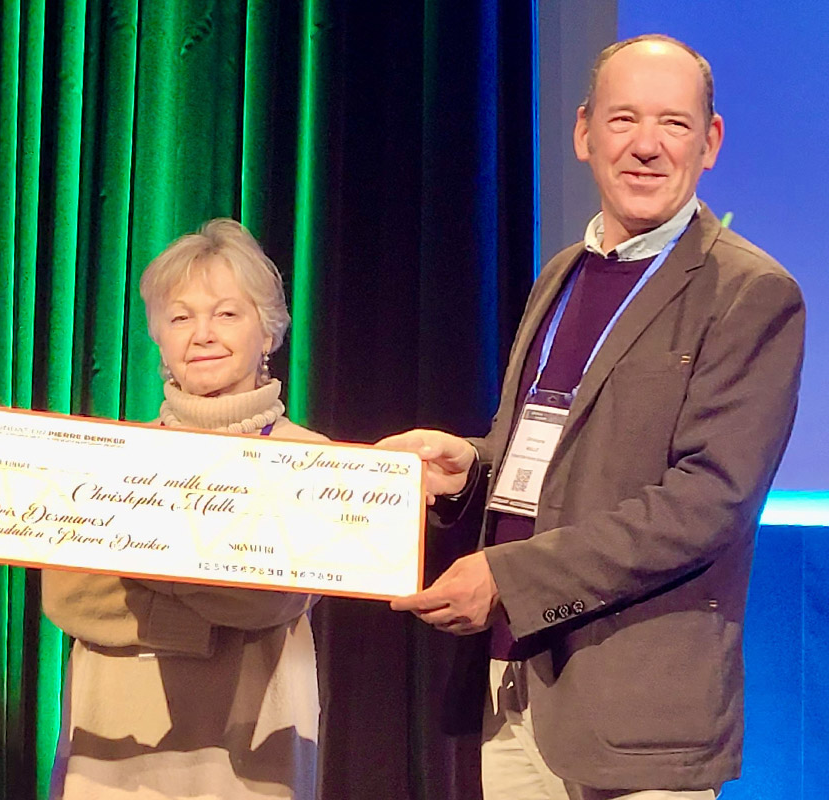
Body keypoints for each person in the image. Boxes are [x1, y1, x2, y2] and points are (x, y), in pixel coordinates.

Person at [381, 35, 804, 800]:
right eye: (623, 120)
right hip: (517, 687)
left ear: (709, 143)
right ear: (583, 134)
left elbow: (708, 502)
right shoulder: (564, 272)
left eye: (674, 124)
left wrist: (510, 578)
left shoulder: (749, 292)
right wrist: (473, 468)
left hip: (639, 712)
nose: (646, 146)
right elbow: (557, 451)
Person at [43, 219, 324, 800]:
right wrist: (210, 584)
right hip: (114, 736)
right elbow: (67, 595)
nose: (202, 334)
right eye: (180, 317)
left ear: (267, 332)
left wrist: (134, 563)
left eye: (226, 313)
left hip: (252, 739)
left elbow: (271, 597)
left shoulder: (311, 460)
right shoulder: (107, 458)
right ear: (159, 338)